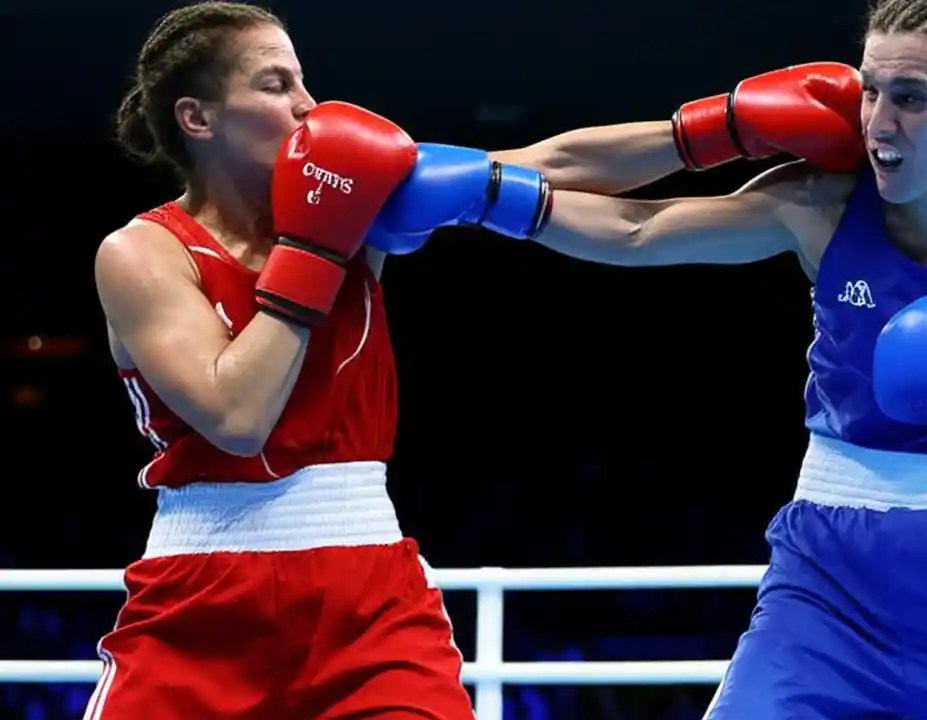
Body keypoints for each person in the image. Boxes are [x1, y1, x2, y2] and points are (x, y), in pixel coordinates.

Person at [424, 0, 927, 716]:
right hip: (827, 588)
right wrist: (489, 193)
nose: (877, 123)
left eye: (910, 98)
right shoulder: (825, 202)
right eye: (869, 90)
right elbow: (638, 229)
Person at [89, 2, 728, 718]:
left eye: (305, 81)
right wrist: (317, 248)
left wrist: (723, 129)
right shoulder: (144, 254)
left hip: (367, 597)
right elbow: (237, 418)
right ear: (198, 118)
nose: (309, 105)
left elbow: (551, 165)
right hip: (200, 605)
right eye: (275, 86)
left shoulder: (361, 205)